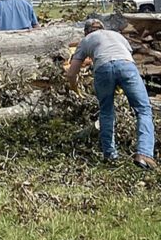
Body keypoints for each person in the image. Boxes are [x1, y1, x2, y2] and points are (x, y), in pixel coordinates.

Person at [65, 18, 157, 170]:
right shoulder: (117, 35)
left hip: (102, 69)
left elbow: (71, 73)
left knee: (106, 111)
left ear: (86, 31)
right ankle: (144, 154)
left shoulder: (86, 40)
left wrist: (75, 88)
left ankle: (110, 155)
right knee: (143, 110)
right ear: (103, 27)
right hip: (127, 67)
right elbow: (125, 58)